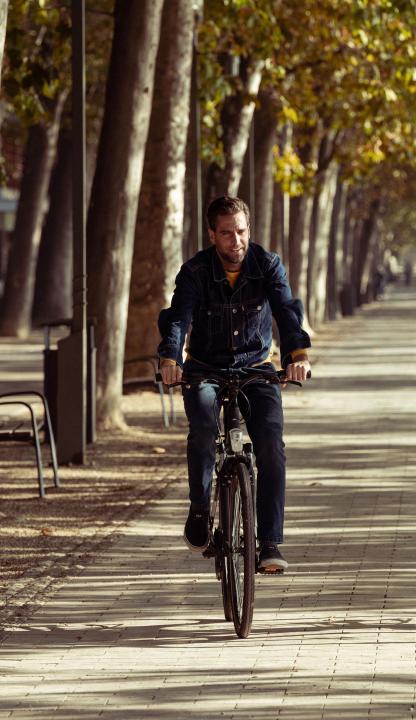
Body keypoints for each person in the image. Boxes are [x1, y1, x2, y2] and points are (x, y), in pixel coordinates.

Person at [158, 196, 311, 574]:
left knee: (272, 446)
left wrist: (297, 356)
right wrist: (169, 359)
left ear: (249, 230)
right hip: (204, 369)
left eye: (241, 231)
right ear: (213, 235)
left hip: (256, 368)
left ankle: (270, 542)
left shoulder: (267, 264)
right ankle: (199, 507)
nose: (236, 241)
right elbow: (179, 318)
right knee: (203, 426)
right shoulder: (195, 271)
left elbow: (287, 311)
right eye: (226, 233)